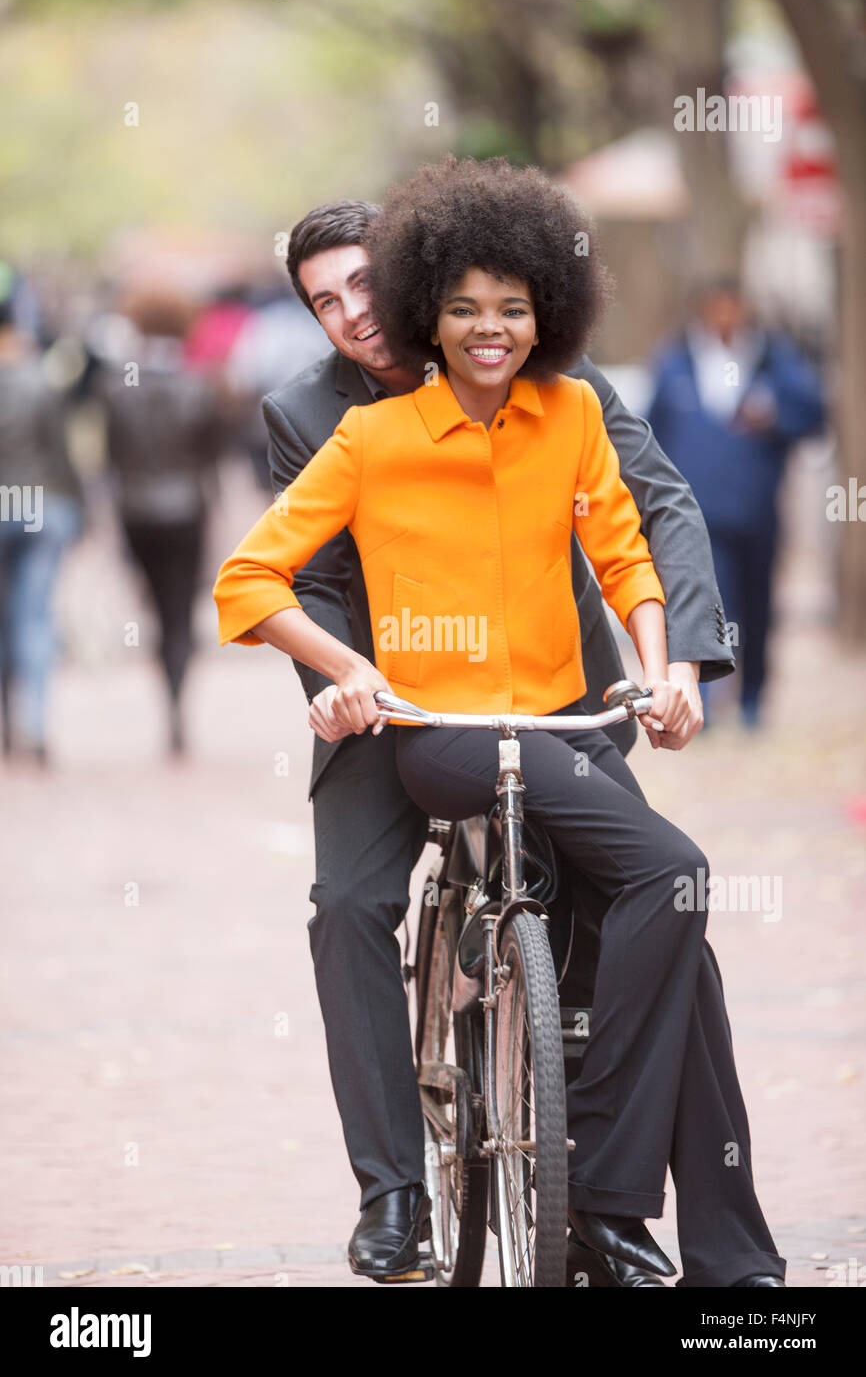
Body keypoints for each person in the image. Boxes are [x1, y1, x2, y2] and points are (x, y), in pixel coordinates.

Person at [213, 157, 784, 1289]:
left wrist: (672, 666)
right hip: (403, 712)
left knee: (670, 916)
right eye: (322, 301)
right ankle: (391, 1193)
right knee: (351, 907)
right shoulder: (325, 421)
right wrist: (341, 679)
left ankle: (708, 1245)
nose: (351, 312)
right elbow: (291, 577)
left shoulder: (554, 389)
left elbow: (641, 513)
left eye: (361, 284)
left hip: (557, 700)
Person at [647, 277, 825, 727]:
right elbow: (650, 434)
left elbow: (813, 414)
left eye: (733, 309)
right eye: (716, 309)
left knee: (758, 606)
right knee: (701, 604)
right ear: (703, 311)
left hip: (756, 512)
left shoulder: (773, 361)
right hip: (695, 518)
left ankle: (751, 701)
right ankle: (701, 696)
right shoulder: (676, 363)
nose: (725, 318)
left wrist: (775, 417)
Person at [94, 290, 221, 755]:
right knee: (179, 611)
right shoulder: (200, 383)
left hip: (137, 512)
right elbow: (212, 457)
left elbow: (110, 461)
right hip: (186, 510)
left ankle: (169, 694)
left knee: (155, 608)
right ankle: (176, 700)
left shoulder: (115, 386)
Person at [0, 266, 84, 765]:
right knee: (34, 614)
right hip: (42, 505)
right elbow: (63, 455)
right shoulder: (41, 381)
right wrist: (81, 508)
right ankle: (34, 719)